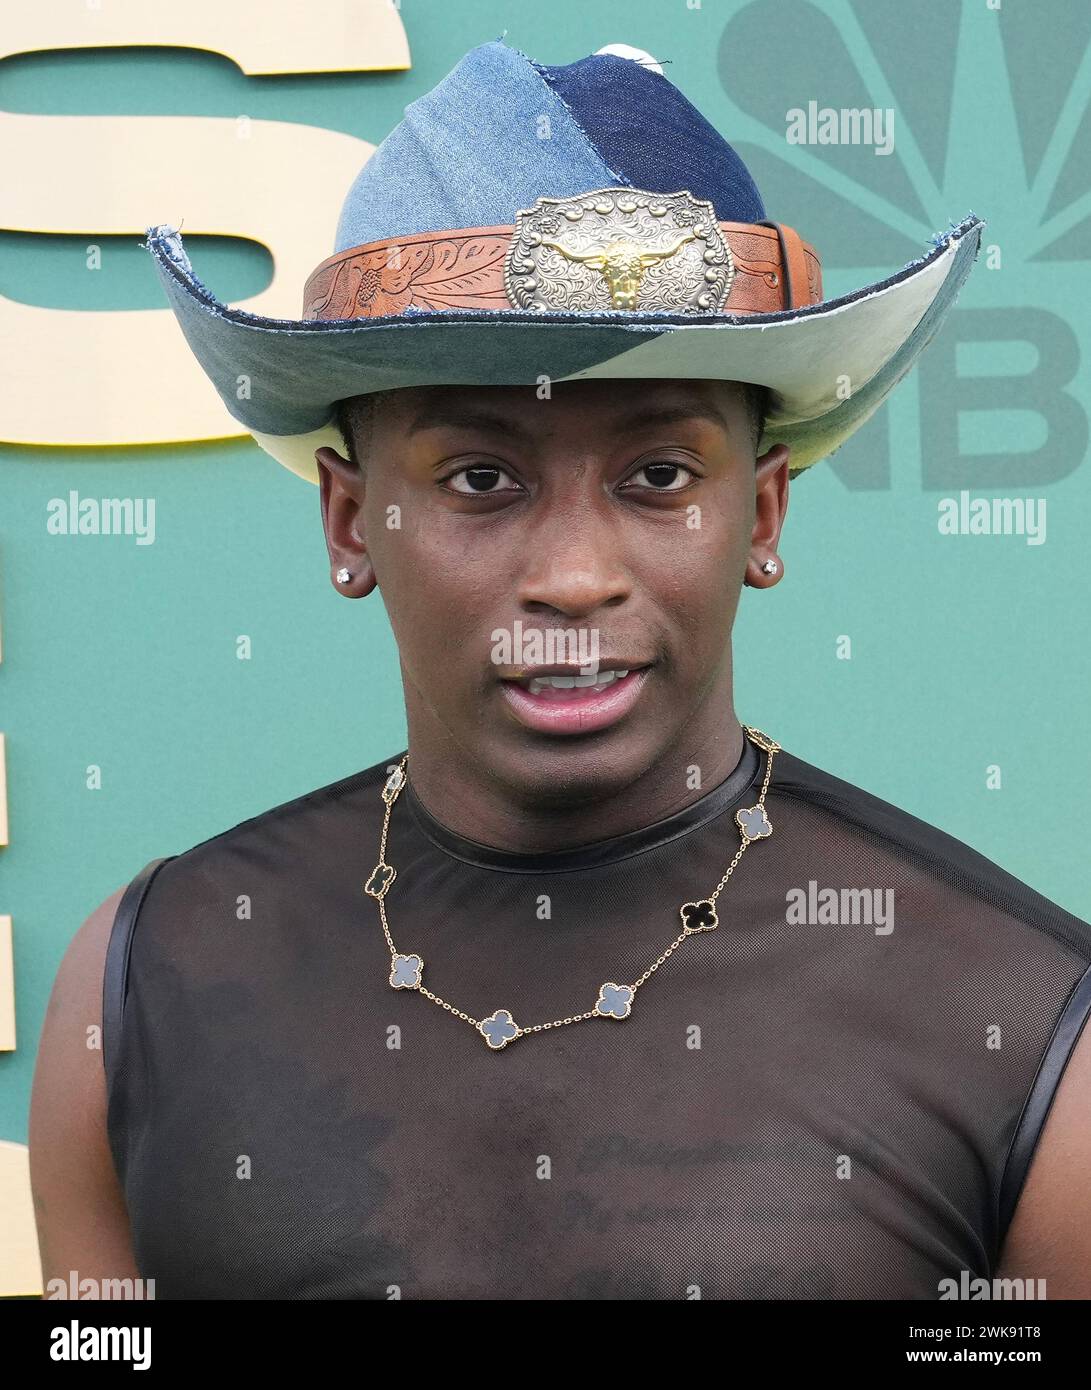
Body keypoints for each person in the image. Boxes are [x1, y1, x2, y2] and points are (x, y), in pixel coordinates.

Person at [29, 39, 1091, 1300]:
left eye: (658, 477)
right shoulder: (142, 989)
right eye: (482, 478)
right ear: (348, 521)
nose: (577, 574)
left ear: (759, 517)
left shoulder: (1025, 1028)